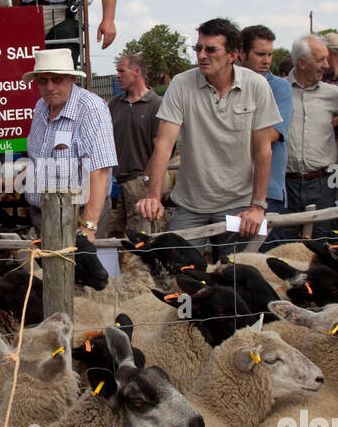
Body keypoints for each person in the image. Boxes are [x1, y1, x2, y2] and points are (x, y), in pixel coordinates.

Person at [135, 18, 281, 258]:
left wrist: (257, 207)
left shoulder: (257, 86)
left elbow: (263, 151)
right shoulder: (181, 84)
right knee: (176, 270)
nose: (202, 55)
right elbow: (164, 144)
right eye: (198, 48)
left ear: (233, 55)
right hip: (190, 204)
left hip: (238, 206)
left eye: (211, 49)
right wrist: (153, 196)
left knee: (235, 276)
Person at [23, 48, 116, 240]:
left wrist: (88, 227)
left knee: (78, 269)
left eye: (56, 79)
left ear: (72, 79)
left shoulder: (91, 109)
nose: (49, 87)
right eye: (43, 80)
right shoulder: (41, 106)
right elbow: (39, 160)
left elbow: (99, 172)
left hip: (78, 215)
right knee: (51, 269)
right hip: (43, 214)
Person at [284, 35, 338, 237]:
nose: (327, 65)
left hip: (322, 184)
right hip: (285, 184)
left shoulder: (334, 94)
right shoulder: (277, 90)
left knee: (321, 242)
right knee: (283, 243)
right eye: (321, 59)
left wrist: (337, 150)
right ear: (302, 63)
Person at [241, 25, 293, 242]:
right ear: (241, 53)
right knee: (228, 265)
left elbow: (271, 135)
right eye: (260, 54)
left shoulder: (280, 88)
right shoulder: (226, 86)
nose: (267, 60)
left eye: (270, 54)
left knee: (265, 263)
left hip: (268, 194)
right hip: (228, 194)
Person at [102, 53, 161, 236]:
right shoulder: (115, 103)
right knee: (110, 234)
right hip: (114, 183)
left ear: (136, 72)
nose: (117, 75)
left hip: (138, 182)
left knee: (138, 236)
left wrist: (145, 179)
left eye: (121, 71)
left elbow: (161, 149)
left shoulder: (156, 104)